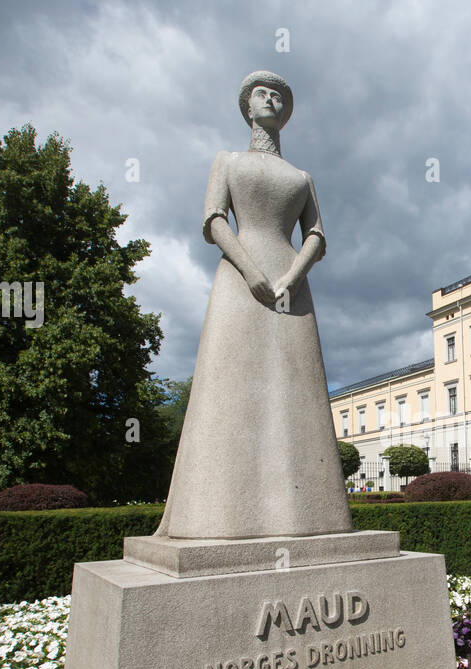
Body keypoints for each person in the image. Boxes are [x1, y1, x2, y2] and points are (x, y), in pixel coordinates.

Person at [156, 71, 350, 539]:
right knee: (227, 384)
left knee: (294, 389)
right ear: (247, 106)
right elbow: (214, 220)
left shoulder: (301, 177)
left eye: (280, 95)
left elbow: (318, 236)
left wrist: (290, 276)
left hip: (291, 286)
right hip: (239, 281)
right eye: (263, 94)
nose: (272, 100)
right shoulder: (226, 161)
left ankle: (307, 516)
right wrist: (250, 270)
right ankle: (211, 514)